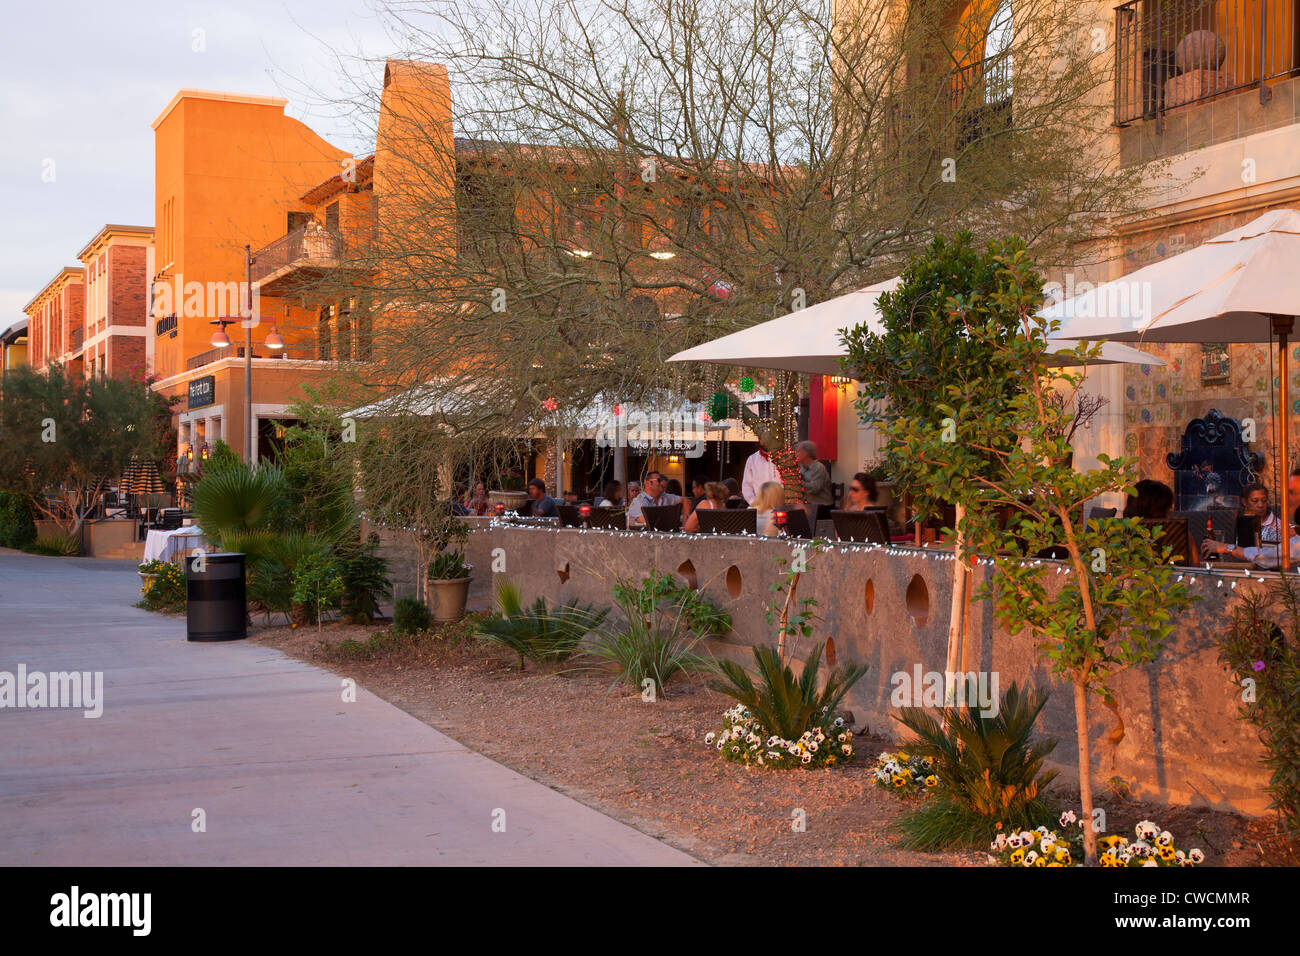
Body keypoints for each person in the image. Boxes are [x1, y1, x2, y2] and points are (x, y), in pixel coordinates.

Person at [794, 440, 832, 520]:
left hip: (821, 507)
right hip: (809, 506)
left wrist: (798, 483)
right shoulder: (802, 469)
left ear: (806, 453)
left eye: (798, 452)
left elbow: (815, 488)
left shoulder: (819, 468)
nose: (796, 454)